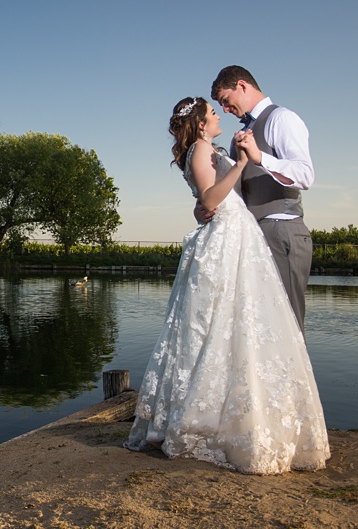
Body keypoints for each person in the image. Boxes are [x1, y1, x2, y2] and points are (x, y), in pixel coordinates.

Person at [124, 96, 329, 475]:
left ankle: (237, 416)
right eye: (213, 112)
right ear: (201, 124)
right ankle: (207, 422)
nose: (219, 116)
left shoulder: (208, 148)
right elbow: (210, 198)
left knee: (240, 329)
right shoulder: (202, 149)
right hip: (226, 239)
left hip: (241, 238)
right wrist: (242, 165)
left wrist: (234, 167)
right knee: (216, 329)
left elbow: (211, 198)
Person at [196, 65, 313, 333]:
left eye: (226, 101)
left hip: (281, 230)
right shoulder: (244, 132)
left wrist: (260, 157)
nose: (225, 110)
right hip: (251, 238)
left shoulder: (281, 119)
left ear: (242, 86)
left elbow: (305, 175)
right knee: (260, 333)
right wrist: (203, 209)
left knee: (288, 329)